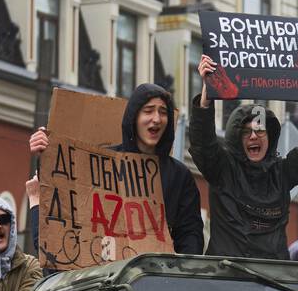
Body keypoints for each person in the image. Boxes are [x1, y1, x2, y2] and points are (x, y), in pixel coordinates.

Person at [190, 55, 298, 259]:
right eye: (245, 131)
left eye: (260, 130)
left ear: (270, 137)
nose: (253, 136)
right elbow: (202, 143)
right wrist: (206, 99)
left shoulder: (282, 174)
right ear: (235, 138)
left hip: (272, 283)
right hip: (228, 280)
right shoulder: (222, 169)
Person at [28, 83, 204, 256]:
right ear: (134, 117)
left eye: (163, 112)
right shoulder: (103, 163)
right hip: (107, 274)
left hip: (157, 278)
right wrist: (48, 155)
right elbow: (65, 209)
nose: (156, 119)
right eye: (148, 111)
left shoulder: (179, 176)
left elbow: (190, 234)